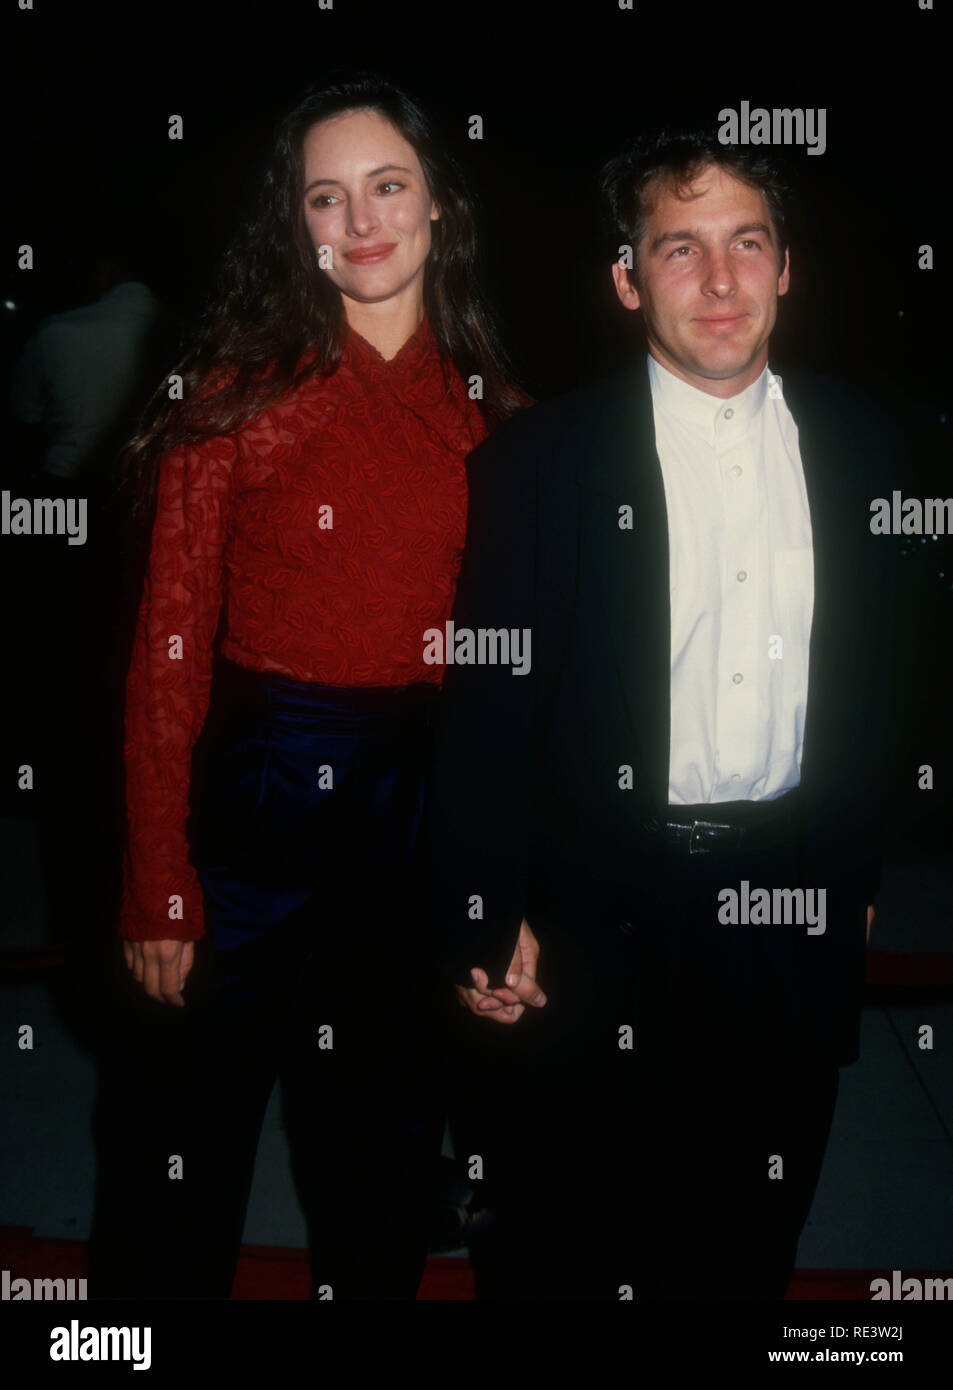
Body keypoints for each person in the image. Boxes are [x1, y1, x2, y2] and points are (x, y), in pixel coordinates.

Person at [420, 127, 902, 1299]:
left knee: (746, 1244)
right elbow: (489, 706)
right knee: (561, 1251)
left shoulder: (875, 449)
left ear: (785, 264)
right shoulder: (538, 464)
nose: (721, 281)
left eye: (746, 242)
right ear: (627, 280)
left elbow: (889, 686)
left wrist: (856, 873)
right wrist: (487, 911)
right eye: (677, 250)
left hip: (785, 918)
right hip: (594, 919)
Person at [86, 72, 524, 1301]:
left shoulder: (497, 409)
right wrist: (155, 878)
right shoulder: (235, 398)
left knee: (380, 1160)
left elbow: (526, 683)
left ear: (440, 205)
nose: (362, 218)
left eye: (388, 185)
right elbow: (166, 650)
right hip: (255, 797)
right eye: (324, 198)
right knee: (177, 1155)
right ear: (296, 229)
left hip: (421, 812)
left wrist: (510, 883)